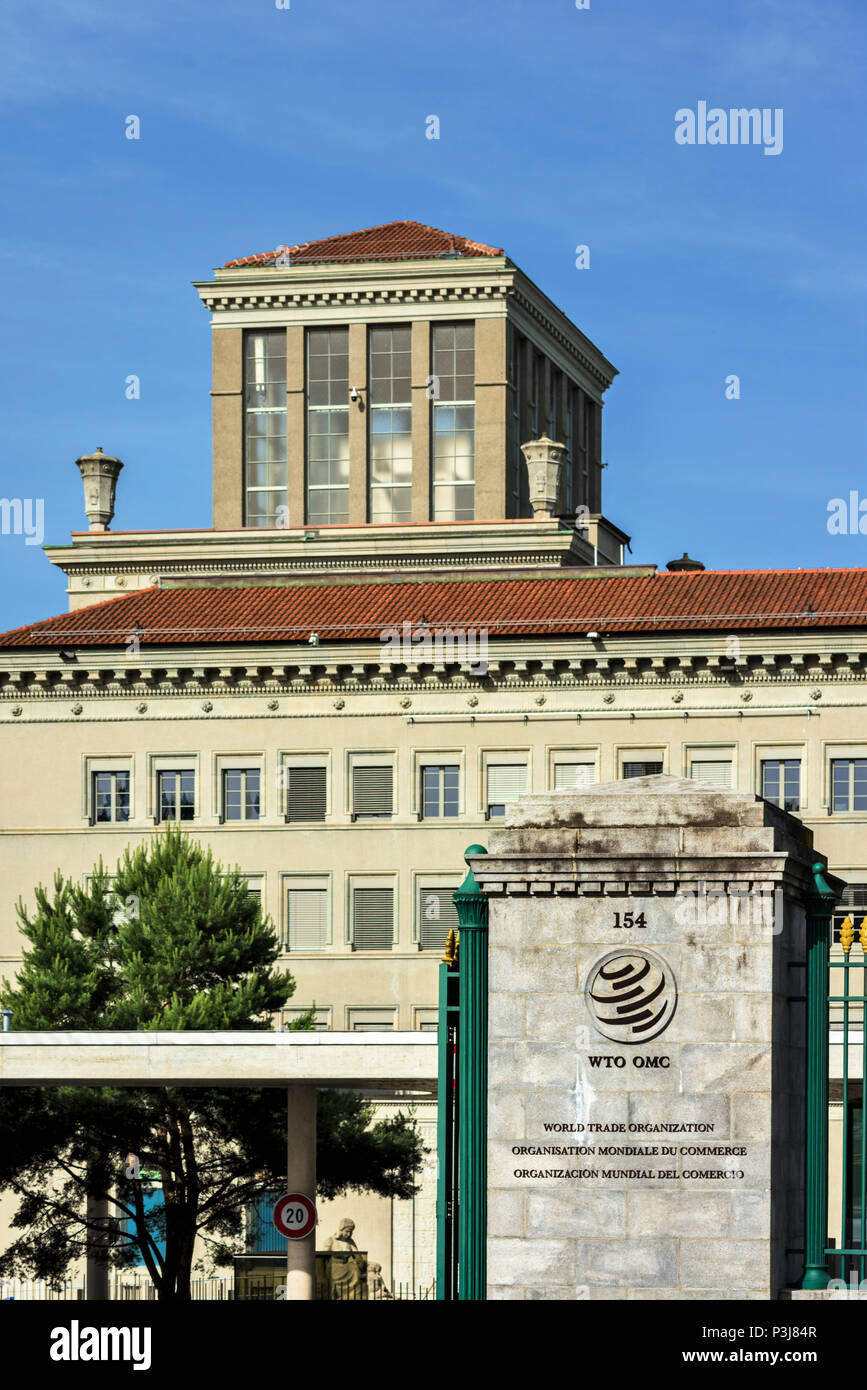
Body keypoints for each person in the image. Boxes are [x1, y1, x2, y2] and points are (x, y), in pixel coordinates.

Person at [322, 1218, 366, 1299]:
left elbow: (358, 1256)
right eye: (347, 1231)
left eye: (351, 1232)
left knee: (357, 1277)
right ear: (341, 1229)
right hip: (334, 1269)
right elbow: (323, 1258)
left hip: (347, 1270)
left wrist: (359, 1263)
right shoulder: (330, 1240)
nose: (349, 1234)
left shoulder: (350, 1242)